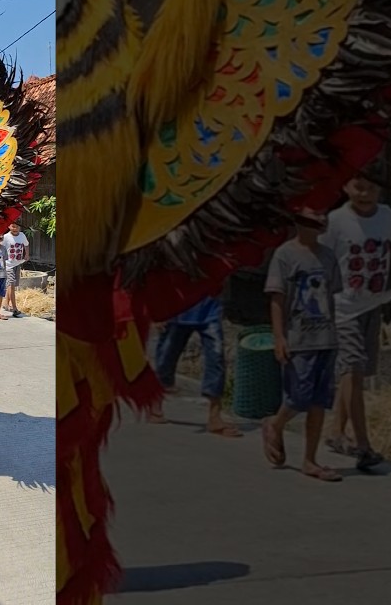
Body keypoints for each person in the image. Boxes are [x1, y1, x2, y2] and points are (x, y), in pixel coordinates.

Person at [319, 171, 391, 470]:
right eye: (358, 187)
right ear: (345, 187)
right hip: (343, 308)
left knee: (357, 373)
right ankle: (363, 443)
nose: (364, 194)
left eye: (370, 188)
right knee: (353, 370)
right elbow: (321, 259)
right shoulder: (335, 221)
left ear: (379, 190)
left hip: (374, 302)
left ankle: (335, 432)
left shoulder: (387, 216)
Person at [261, 206, 344, 481]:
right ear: (298, 223)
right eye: (310, 221)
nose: (316, 226)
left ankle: (311, 459)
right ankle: (275, 423)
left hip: (326, 337)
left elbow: (333, 294)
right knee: (298, 396)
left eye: (320, 221)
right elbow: (277, 298)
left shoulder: (328, 256)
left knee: (320, 400)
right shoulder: (285, 255)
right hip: (299, 338)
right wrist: (279, 336)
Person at [146, 296, 240, 437]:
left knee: (216, 359)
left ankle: (214, 416)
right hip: (176, 310)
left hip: (210, 310)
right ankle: (155, 404)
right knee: (166, 357)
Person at [2, 222, 30, 317]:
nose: (15, 228)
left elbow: (26, 245)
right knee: (11, 285)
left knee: (12, 285)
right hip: (8, 264)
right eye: (13, 226)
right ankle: (14, 308)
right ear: (9, 226)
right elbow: (0, 249)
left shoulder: (22, 235)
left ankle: (6, 304)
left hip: (18, 263)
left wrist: (27, 254)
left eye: (17, 226)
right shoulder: (6, 237)